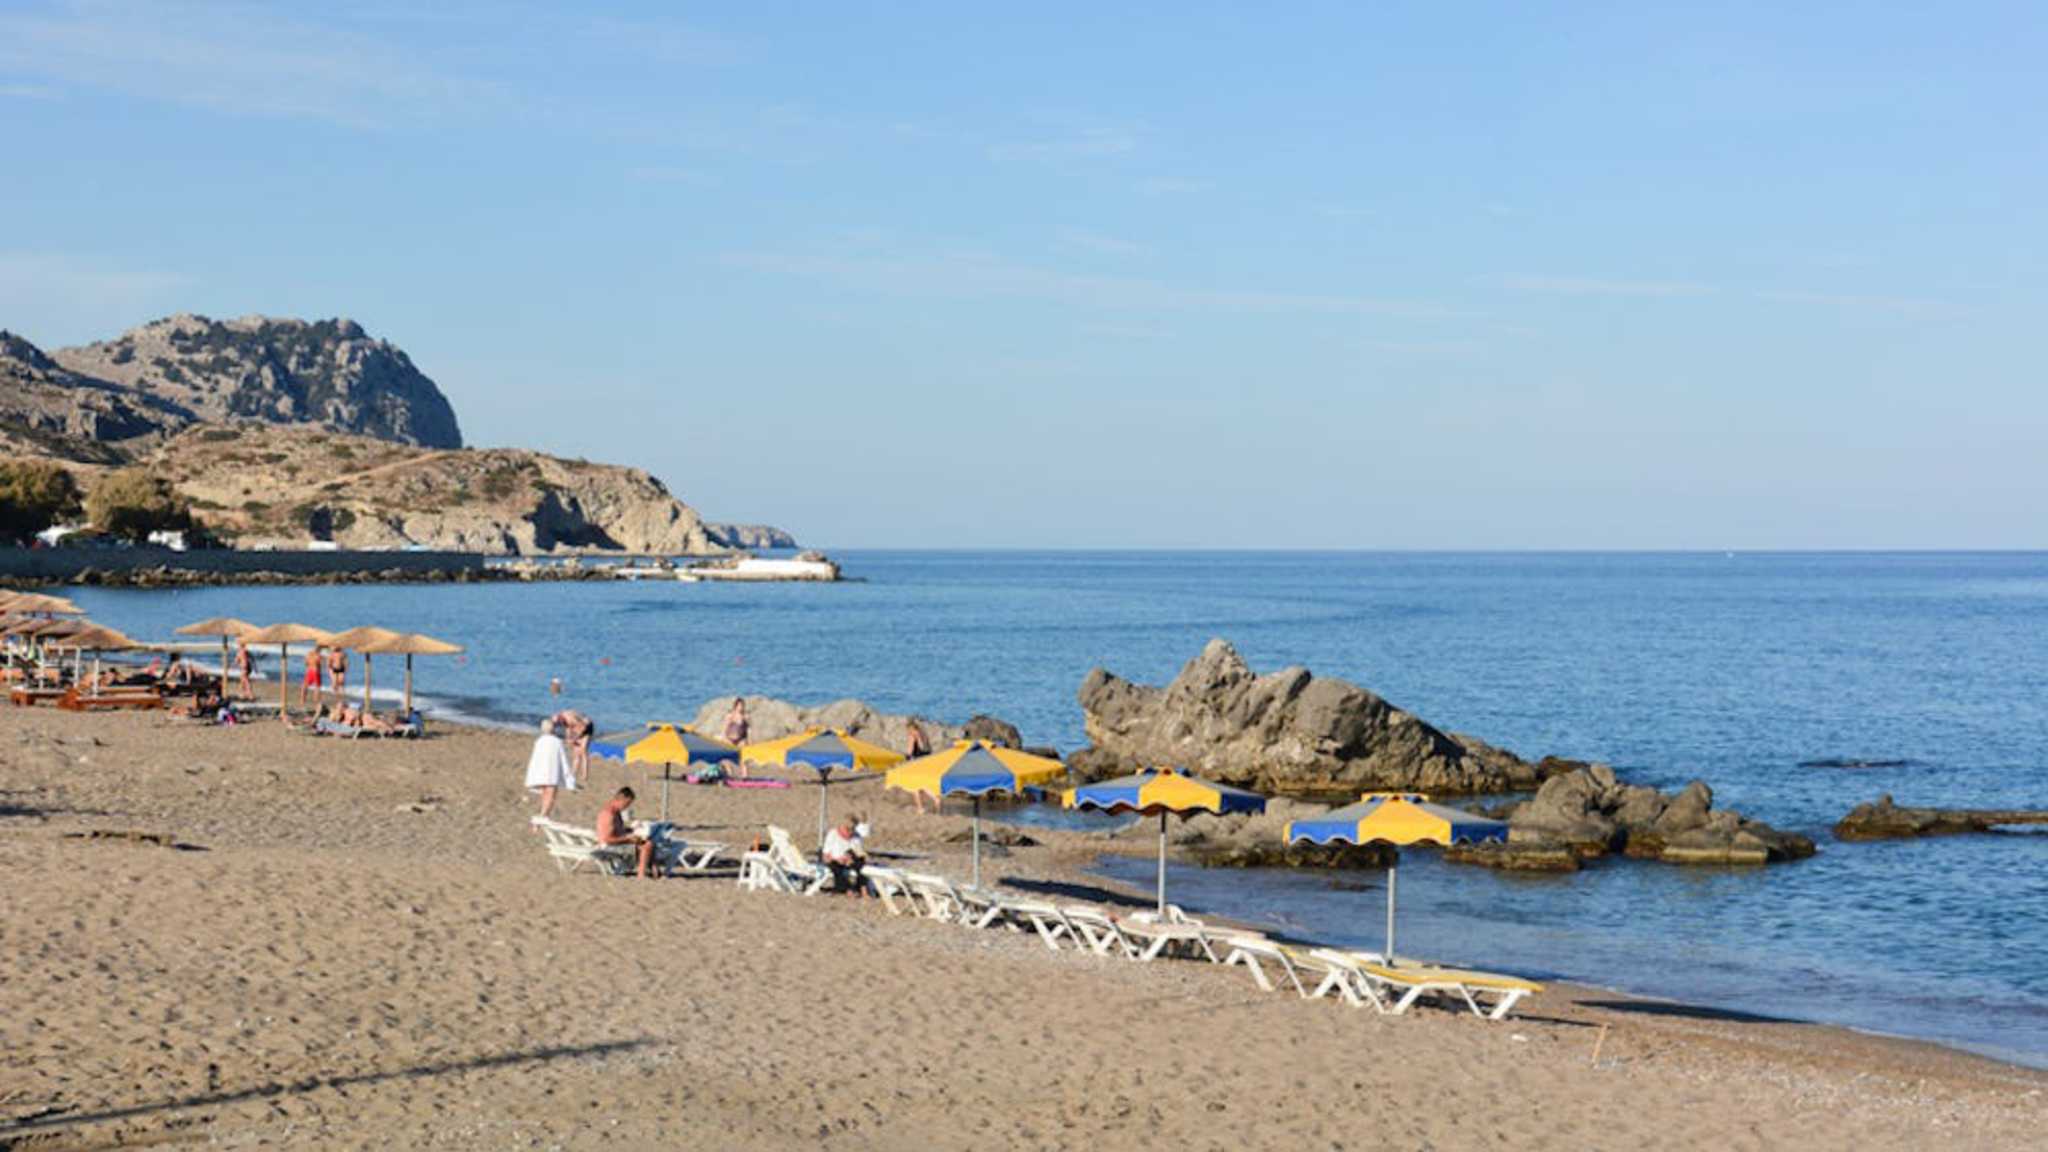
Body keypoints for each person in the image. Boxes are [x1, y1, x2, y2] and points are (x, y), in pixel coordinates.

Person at [595, 787, 656, 878]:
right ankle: (641, 875)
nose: (627, 807)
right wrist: (628, 838)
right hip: (608, 848)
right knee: (646, 845)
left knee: (648, 841)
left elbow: (618, 830)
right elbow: (607, 839)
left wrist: (632, 830)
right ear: (621, 798)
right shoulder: (608, 814)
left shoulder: (616, 812)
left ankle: (652, 871)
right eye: (627, 803)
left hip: (616, 843)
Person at [524, 717, 576, 821]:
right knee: (551, 794)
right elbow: (563, 759)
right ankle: (543, 815)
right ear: (553, 729)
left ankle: (542, 814)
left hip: (541, 772)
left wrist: (533, 772)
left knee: (545, 794)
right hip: (552, 772)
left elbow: (535, 758)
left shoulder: (539, 741)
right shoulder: (557, 742)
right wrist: (569, 779)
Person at [821, 814, 869, 896]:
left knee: (861, 864)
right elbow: (825, 856)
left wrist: (852, 858)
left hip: (851, 860)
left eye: (852, 830)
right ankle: (848, 889)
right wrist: (837, 859)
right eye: (848, 829)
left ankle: (863, 889)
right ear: (842, 827)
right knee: (836, 867)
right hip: (835, 860)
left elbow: (860, 853)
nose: (850, 832)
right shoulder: (833, 834)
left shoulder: (856, 836)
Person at [552, 709, 593, 784]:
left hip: (587, 727)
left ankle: (585, 775)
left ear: (560, 718)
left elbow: (582, 728)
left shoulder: (570, 718)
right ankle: (573, 773)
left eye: (558, 723)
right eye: (557, 724)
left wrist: (575, 738)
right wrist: (569, 739)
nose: (558, 725)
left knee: (583, 751)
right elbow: (568, 729)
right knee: (576, 753)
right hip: (578, 728)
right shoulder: (562, 720)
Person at [907, 723, 940, 815]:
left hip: (917, 764)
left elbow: (909, 753)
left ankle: (920, 808)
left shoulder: (912, 736)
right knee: (922, 784)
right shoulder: (924, 736)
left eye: (908, 730)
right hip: (926, 763)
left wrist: (906, 762)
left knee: (915, 787)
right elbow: (928, 751)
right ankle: (935, 798)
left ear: (911, 729)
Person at [722, 698, 750, 778]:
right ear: (736, 706)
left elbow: (747, 729)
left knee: (743, 757)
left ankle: (745, 775)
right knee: (726, 758)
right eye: (739, 705)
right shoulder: (730, 715)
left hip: (740, 739)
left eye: (742, 705)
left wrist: (747, 739)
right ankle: (729, 773)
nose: (741, 707)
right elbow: (725, 728)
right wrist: (724, 738)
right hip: (729, 739)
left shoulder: (745, 717)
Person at [300, 646, 323, 710]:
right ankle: (316, 703)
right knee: (317, 688)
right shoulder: (319, 656)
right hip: (316, 671)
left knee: (304, 686)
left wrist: (309, 664)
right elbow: (320, 663)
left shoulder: (309, 654)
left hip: (309, 670)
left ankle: (302, 701)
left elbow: (305, 663)